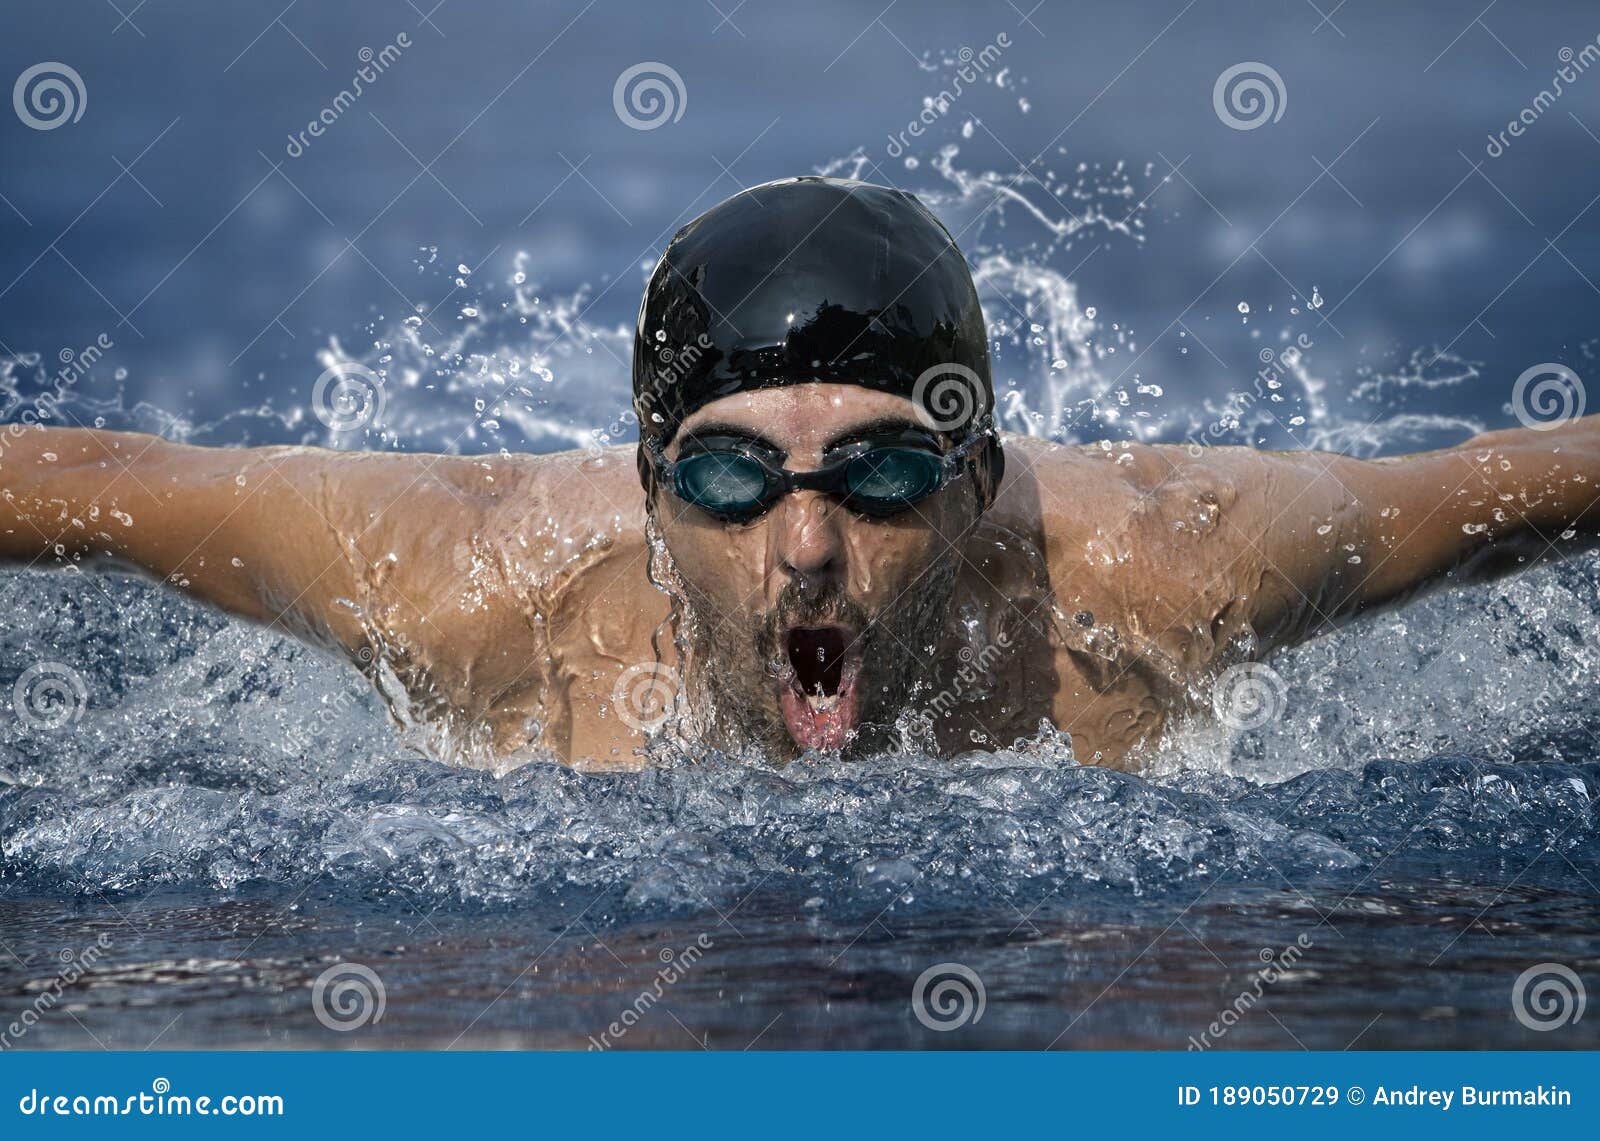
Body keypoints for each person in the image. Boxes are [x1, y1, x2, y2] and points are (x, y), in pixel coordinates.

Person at [2, 176, 1596, 772]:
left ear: (976, 486)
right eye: (728, 482)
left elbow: (1502, 484)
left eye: (885, 471)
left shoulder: (1162, 574)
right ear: (645, 491)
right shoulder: (473, 595)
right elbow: (96, 479)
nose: (809, 542)